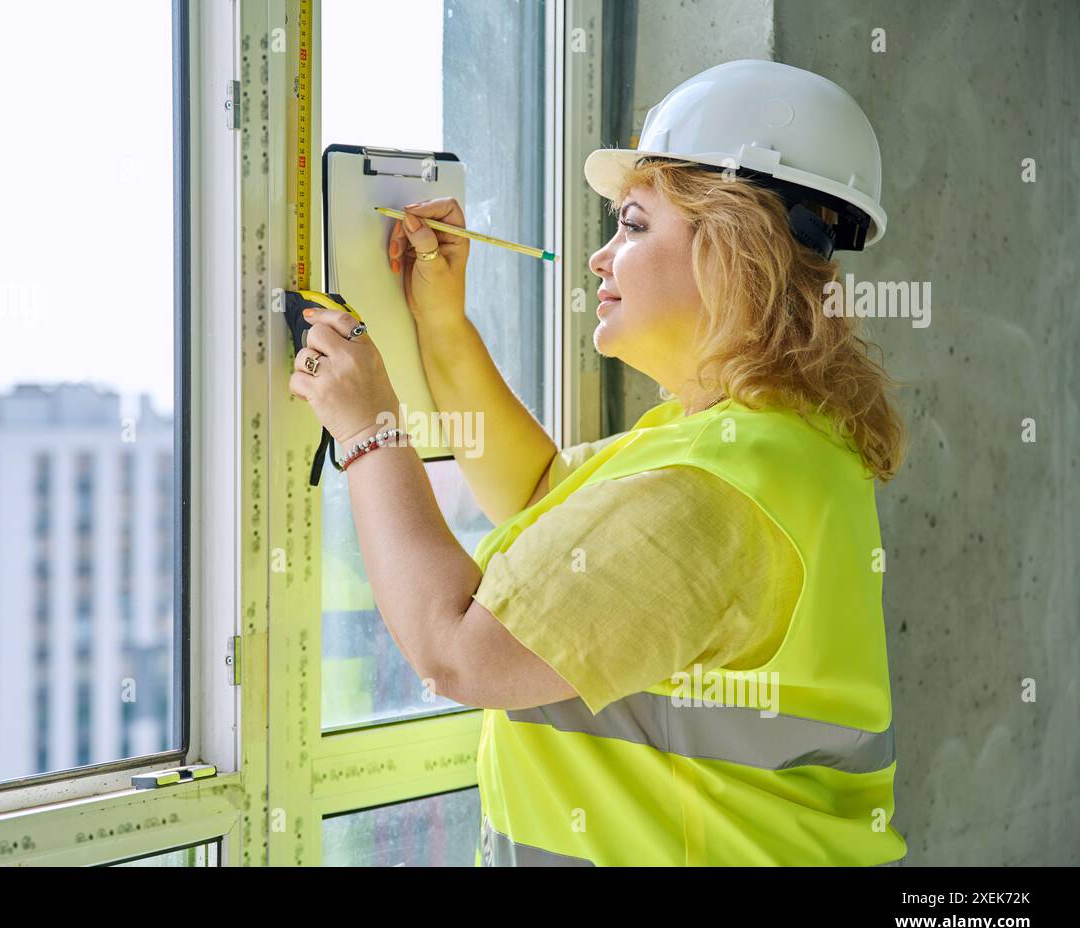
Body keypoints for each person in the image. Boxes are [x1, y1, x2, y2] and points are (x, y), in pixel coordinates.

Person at [289, 59, 909, 866]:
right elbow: (543, 495)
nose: (600, 256)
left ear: (733, 254)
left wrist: (369, 434)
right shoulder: (766, 441)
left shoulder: (702, 492)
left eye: (635, 224)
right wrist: (441, 326)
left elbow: (457, 653)